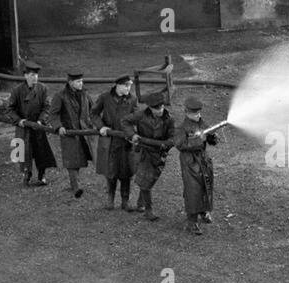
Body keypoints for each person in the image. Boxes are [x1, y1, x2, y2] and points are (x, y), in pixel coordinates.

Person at [0, 59, 56, 186]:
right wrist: (19, 120)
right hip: (23, 126)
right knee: (23, 151)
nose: (34, 77)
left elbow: (47, 107)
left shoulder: (42, 89)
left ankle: (42, 175)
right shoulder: (17, 90)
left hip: (38, 126)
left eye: (36, 75)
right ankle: (27, 173)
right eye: (31, 75)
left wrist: (41, 120)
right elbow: (10, 109)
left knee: (41, 151)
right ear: (25, 76)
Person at [122, 91, 175, 222]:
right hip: (144, 152)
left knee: (149, 180)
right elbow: (125, 121)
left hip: (159, 154)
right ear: (150, 108)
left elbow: (173, 137)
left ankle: (141, 204)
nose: (160, 110)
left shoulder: (169, 118)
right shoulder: (141, 115)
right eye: (156, 108)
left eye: (162, 107)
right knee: (145, 181)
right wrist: (132, 135)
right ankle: (148, 210)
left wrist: (166, 144)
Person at [90, 74, 138, 209]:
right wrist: (101, 127)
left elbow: (136, 118)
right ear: (118, 85)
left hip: (125, 142)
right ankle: (110, 200)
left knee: (126, 172)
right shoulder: (105, 97)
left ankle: (125, 201)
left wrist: (131, 132)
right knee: (110, 171)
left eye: (130, 85)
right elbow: (93, 114)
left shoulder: (132, 99)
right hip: (109, 141)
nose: (128, 88)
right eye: (126, 85)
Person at [172, 97, 218, 235]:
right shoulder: (181, 128)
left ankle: (204, 212)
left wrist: (212, 137)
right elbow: (180, 145)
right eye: (194, 113)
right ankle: (192, 222)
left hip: (203, 160)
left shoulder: (202, 123)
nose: (198, 115)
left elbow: (212, 141)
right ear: (186, 112)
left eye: (199, 113)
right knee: (193, 190)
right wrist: (199, 140)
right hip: (190, 162)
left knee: (206, 186)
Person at [46, 71, 94, 199]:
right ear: (70, 82)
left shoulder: (85, 94)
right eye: (78, 81)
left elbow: (93, 110)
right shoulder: (60, 96)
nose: (81, 84)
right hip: (69, 132)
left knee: (80, 158)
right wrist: (58, 126)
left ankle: (75, 182)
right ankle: (76, 186)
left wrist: (96, 124)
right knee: (71, 159)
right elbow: (53, 114)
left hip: (84, 132)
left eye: (82, 81)